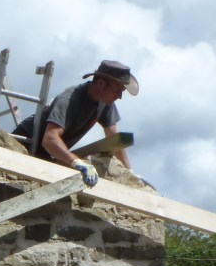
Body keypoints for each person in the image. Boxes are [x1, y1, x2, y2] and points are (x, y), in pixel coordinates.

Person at [12, 59, 138, 187]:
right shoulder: (69, 99)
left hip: (49, 153)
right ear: (100, 83)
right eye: (117, 90)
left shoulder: (105, 103)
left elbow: (114, 138)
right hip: (24, 145)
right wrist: (76, 162)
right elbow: (50, 139)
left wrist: (130, 173)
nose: (120, 96)